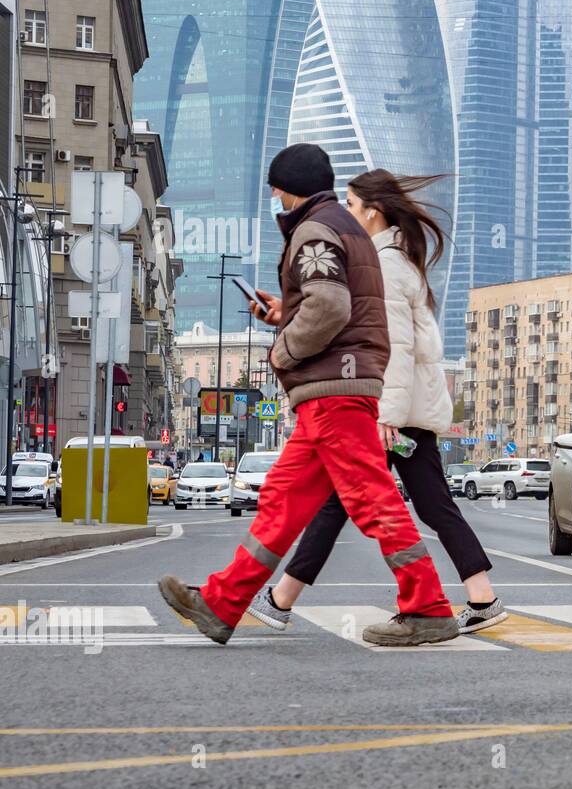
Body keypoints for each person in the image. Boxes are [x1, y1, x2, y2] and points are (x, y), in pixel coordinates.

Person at [157, 143, 457, 647]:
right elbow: (332, 301)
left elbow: (331, 304)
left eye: (277, 186)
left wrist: (283, 351)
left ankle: (427, 606)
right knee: (283, 501)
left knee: (370, 496)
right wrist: (285, 314)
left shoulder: (314, 229)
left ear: (292, 186)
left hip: (334, 389)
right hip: (333, 387)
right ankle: (223, 602)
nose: (275, 195)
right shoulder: (342, 226)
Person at [246, 169, 505, 635]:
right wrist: (285, 315)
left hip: (390, 410)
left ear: (372, 210)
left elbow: (396, 347)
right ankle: (482, 596)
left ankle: (280, 599)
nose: (344, 212)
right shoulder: (397, 260)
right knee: (428, 503)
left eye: (350, 203)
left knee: (334, 500)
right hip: (408, 408)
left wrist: (385, 414)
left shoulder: (382, 263)